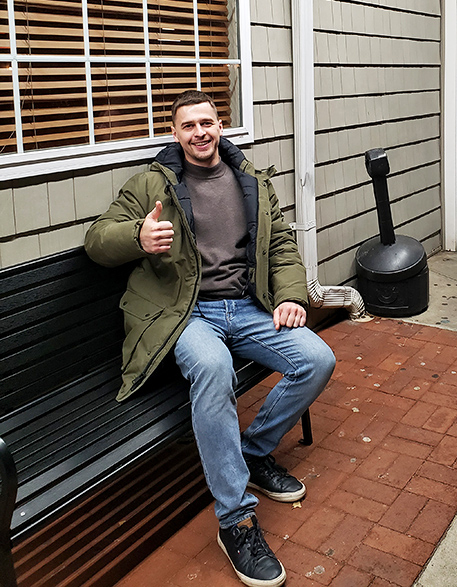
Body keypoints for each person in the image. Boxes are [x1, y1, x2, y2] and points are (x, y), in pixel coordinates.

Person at [85, 90, 336, 587]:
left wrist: (290, 296)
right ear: (175, 133)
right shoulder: (152, 183)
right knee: (214, 368)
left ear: (221, 125)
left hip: (245, 306)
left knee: (317, 358)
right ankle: (235, 521)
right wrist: (137, 237)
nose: (199, 132)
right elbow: (97, 239)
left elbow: (281, 246)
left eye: (207, 122)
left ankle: (253, 452)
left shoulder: (251, 180)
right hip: (185, 313)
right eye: (188, 125)